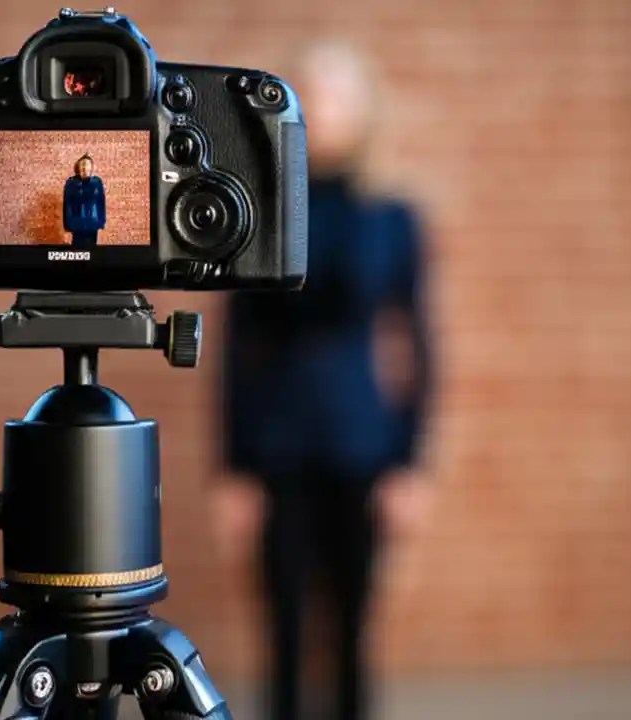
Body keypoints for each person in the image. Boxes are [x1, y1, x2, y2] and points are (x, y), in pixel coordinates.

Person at [215, 41, 434, 720]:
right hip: (277, 451)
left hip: (359, 448)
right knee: (281, 637)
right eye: (309, 94)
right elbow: (235, 346)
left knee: (349, 637)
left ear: (365, 112)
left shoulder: (392, 219)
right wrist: (232, 469)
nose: (322, 109)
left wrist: (410, 462)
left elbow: (419, 345)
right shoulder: (259, 214)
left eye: (335, 95)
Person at [62, 154, 105, 248]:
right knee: (78, 250)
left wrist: (102, 221)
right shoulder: (71, 184)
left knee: (92, 249)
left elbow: (101, 203)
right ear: (78, 168)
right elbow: (66, 204)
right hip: (77, 223)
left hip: (92, 221)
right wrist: (67, 224)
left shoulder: (97, 183)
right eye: (83, 165)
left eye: (88, 165)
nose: (85, 168)